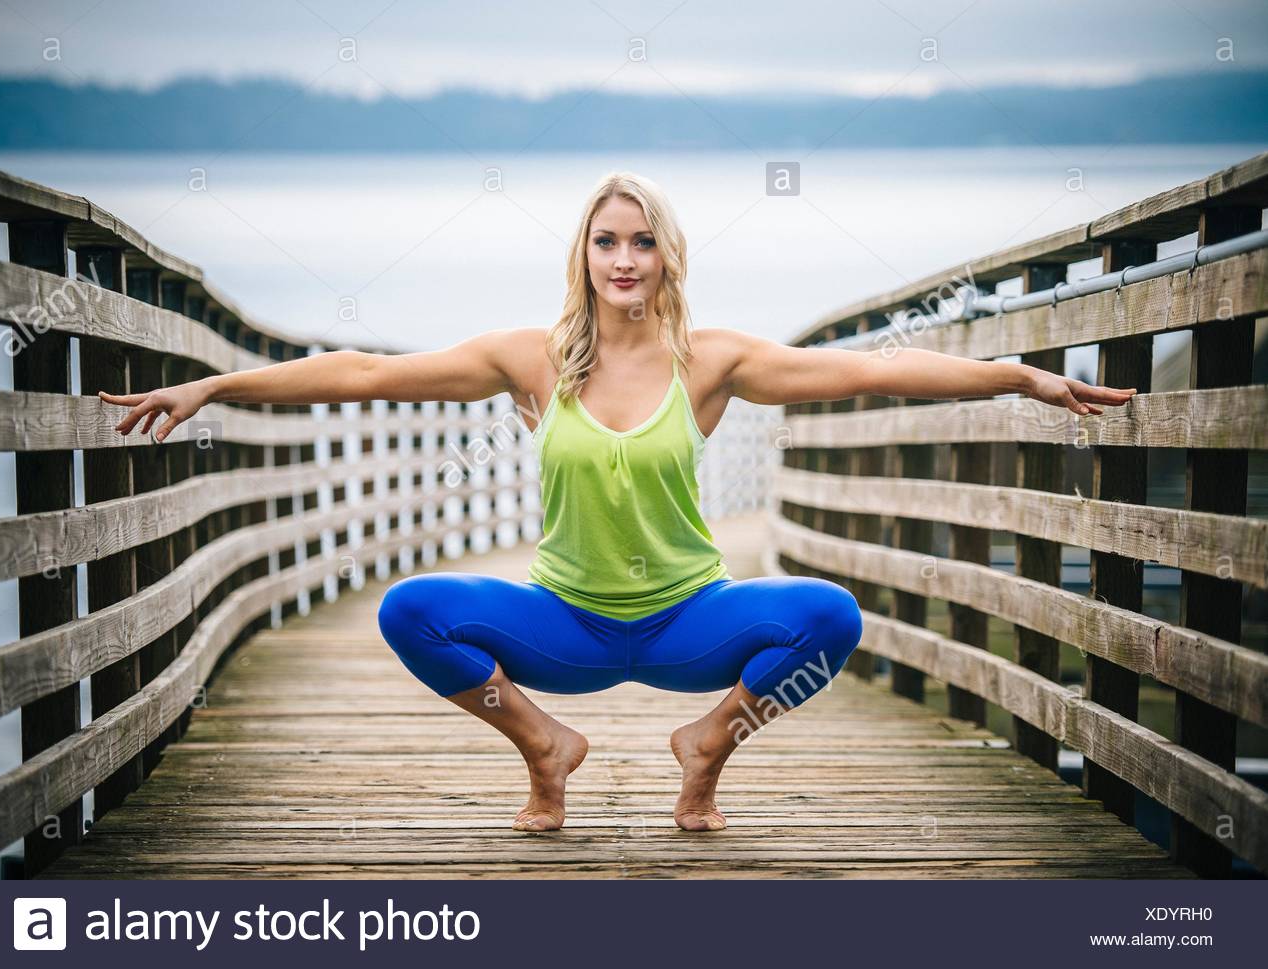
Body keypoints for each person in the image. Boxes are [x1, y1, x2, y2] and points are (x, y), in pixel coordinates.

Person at [99, 171, 1137, 834]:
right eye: (607, 241)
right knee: (409, 611)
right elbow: (361, 372)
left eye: (642, 241)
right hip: (567, 628)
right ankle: (545, 750)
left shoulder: (713, 359)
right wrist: (214, 387)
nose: (625, 259)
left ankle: (705, 753)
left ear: (667, 254)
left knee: (829, 619)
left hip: (690, 622)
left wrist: (1020, 377)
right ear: (583, 256)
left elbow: (875, 368)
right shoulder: (530, 358)